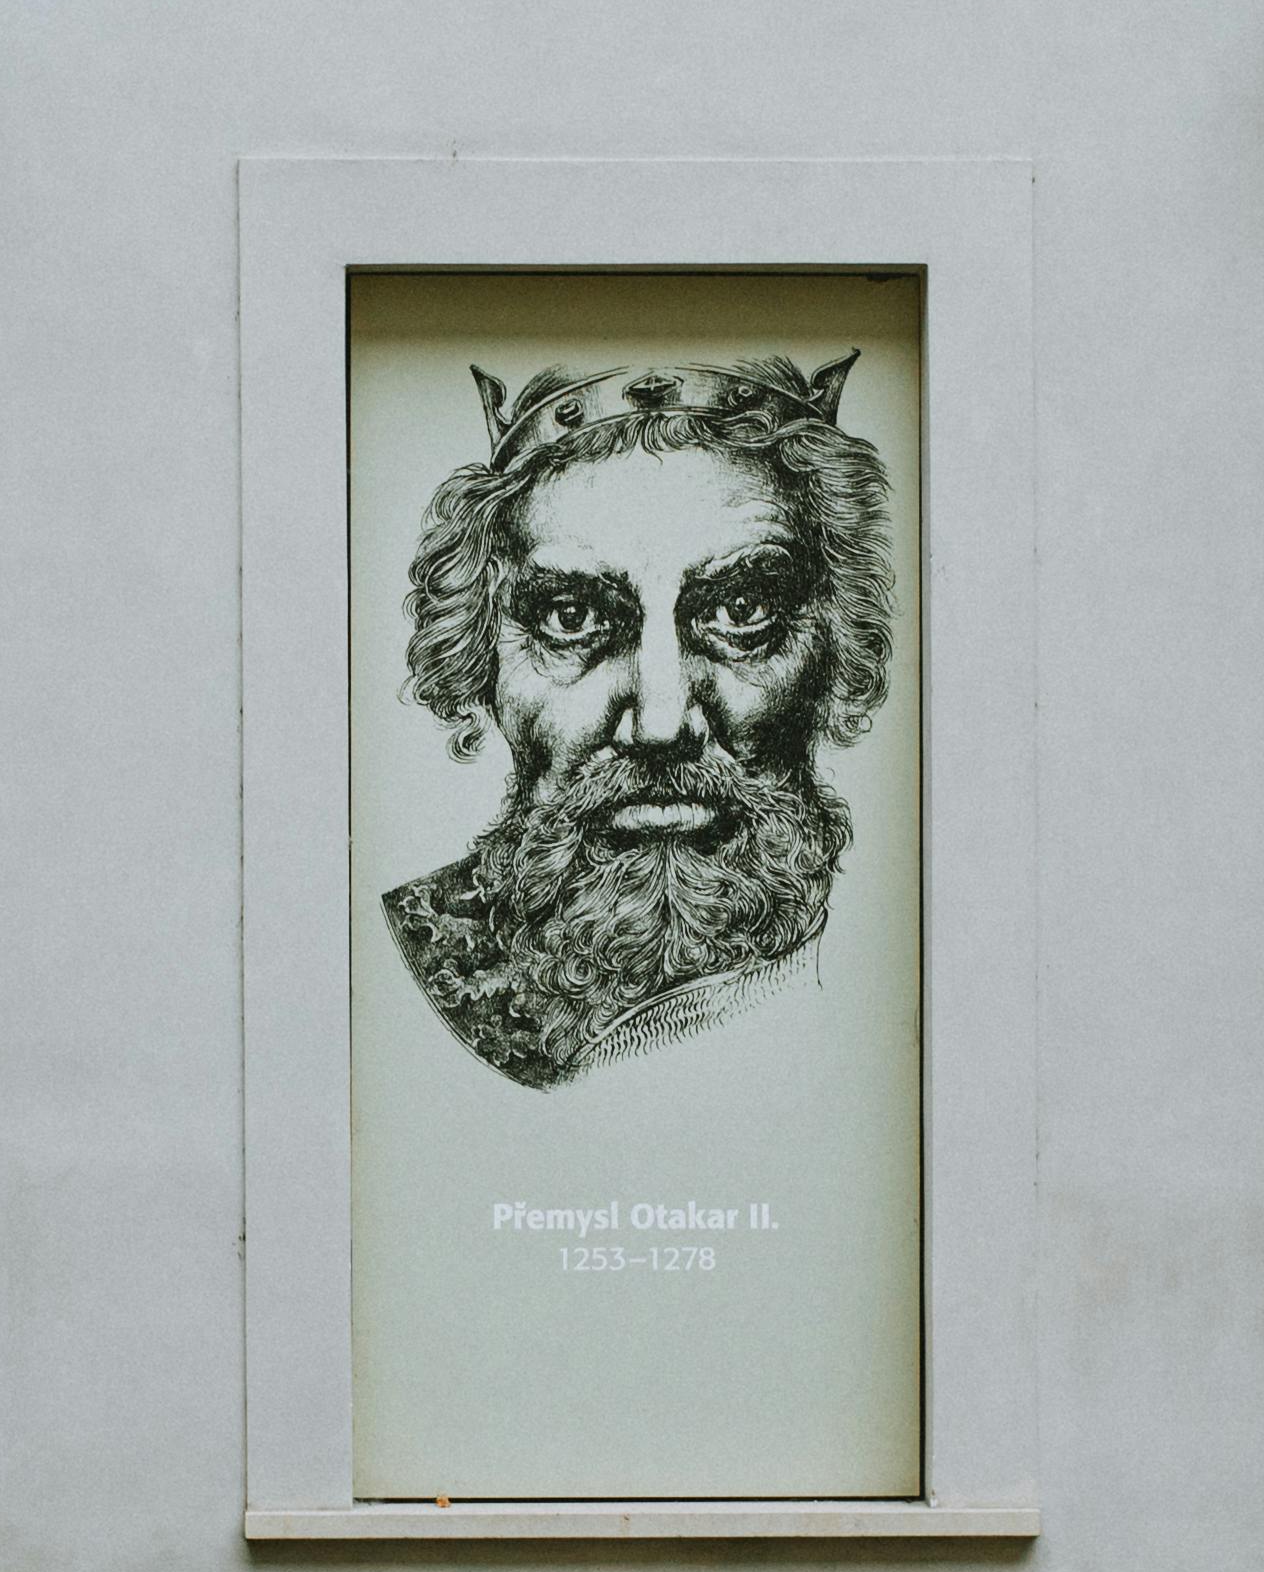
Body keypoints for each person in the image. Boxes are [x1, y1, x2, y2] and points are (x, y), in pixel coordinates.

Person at [382, 352, 897, 1091]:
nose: (660, 723)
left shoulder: (900, 984)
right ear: (475, 659)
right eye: (572, 617)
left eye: (741, 613)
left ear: (837, 652)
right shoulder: (381, 968)